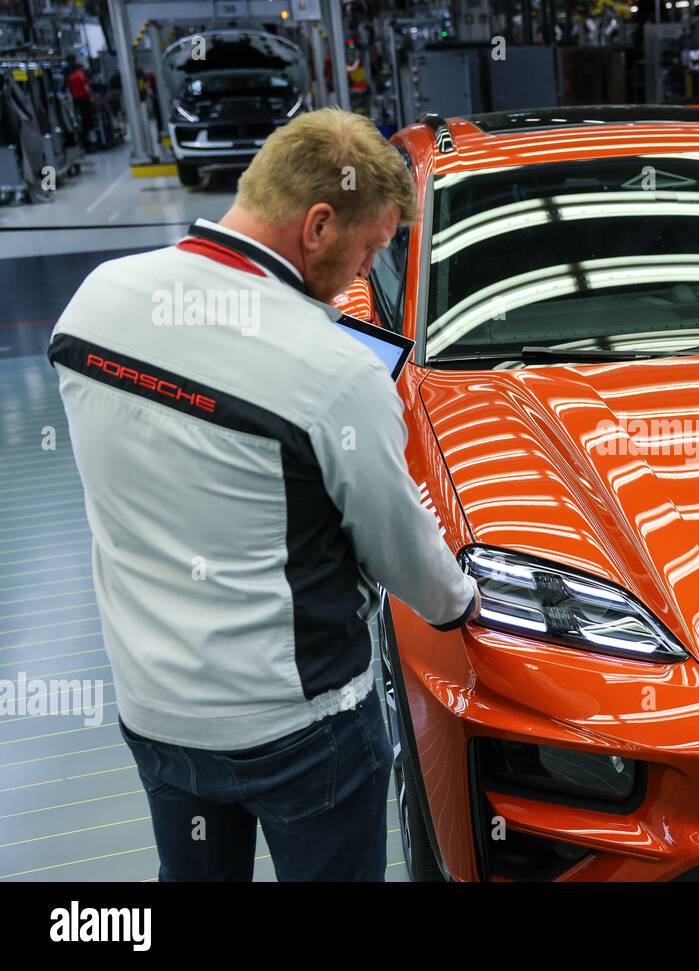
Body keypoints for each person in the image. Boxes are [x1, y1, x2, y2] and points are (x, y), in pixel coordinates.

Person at [48, 108, 479, 881]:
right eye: (370, 248)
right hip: (299, 730)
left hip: (154, 708)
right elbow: (405, 559)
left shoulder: (95, 300)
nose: (362, 274)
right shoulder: (333, 371)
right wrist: (464, 601)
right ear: (318, 224)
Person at [65, 57, 97, 150]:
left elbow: (69, 90)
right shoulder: (80, 75)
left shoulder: (70, 77)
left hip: (76, 100)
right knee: (87, 120)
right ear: (79, 68)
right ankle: (88, 141)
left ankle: (81, 140)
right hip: (84, 99)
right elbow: (86, 87)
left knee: (80, 120)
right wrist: (92, 97)